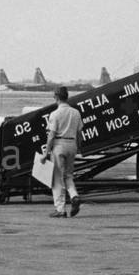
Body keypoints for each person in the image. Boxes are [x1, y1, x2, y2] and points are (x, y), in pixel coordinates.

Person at [41, 86, 83, 219]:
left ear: (56, 97)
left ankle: (60, 209)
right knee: (68, 175)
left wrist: (46, 152)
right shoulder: (76, 113)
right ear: (67, 97)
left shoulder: (55, 114)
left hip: (59, 145)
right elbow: (79, 133)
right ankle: (74, 196)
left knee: (57, 178)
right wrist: (79, 148)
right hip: (72, 144)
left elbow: (51, 135)